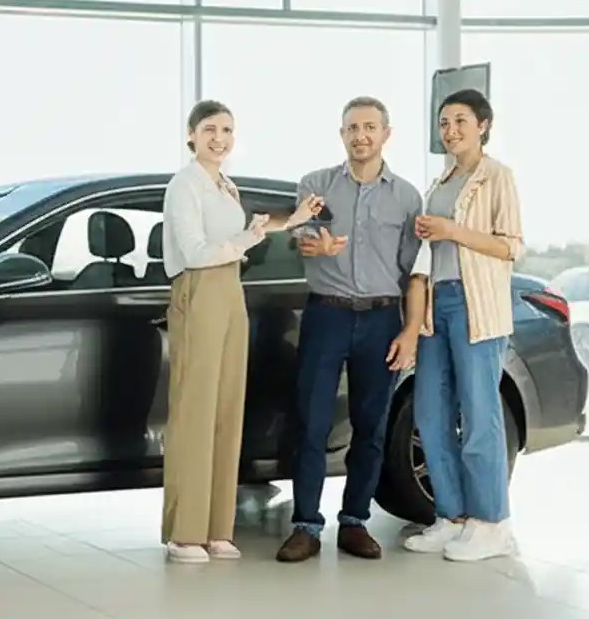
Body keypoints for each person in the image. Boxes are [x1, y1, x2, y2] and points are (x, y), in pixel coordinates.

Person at [162, 99, 320, 564]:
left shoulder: (225, 185)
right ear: (191, 135)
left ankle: (216, 529)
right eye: (210, 129)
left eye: (227, 130)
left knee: (228, 409)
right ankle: (185, 533)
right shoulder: (184, 184)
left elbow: (247, 233)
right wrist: (248, 240)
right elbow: (193, 252)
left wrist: (291, 221)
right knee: (195, 411)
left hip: (231, 290)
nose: (220, 138)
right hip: (200, 289)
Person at [275, 96, 425, 563]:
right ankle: (305, 525)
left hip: (382, 319)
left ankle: (355, 522)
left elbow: (413, 270)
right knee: (312, 423)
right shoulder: (316, 185)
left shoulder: (406, 196)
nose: (360, 135)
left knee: (371, 426)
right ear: (341, 135)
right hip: (327, 316)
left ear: (386, 133)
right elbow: (298, 236)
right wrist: (313, 246)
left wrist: (410, 330)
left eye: (369, 127)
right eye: (351, 128)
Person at [402, 88, 524, 562]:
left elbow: (510, 246)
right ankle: (451, 517)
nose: (450, 130)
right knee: (430, 412)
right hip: (438, 303)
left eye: (460, 121)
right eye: (444, 122)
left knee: (479, 416)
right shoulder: (441, 183)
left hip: (478, 305)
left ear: (484, 125)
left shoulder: (497, 177)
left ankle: (492, 523)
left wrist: (452, 230)